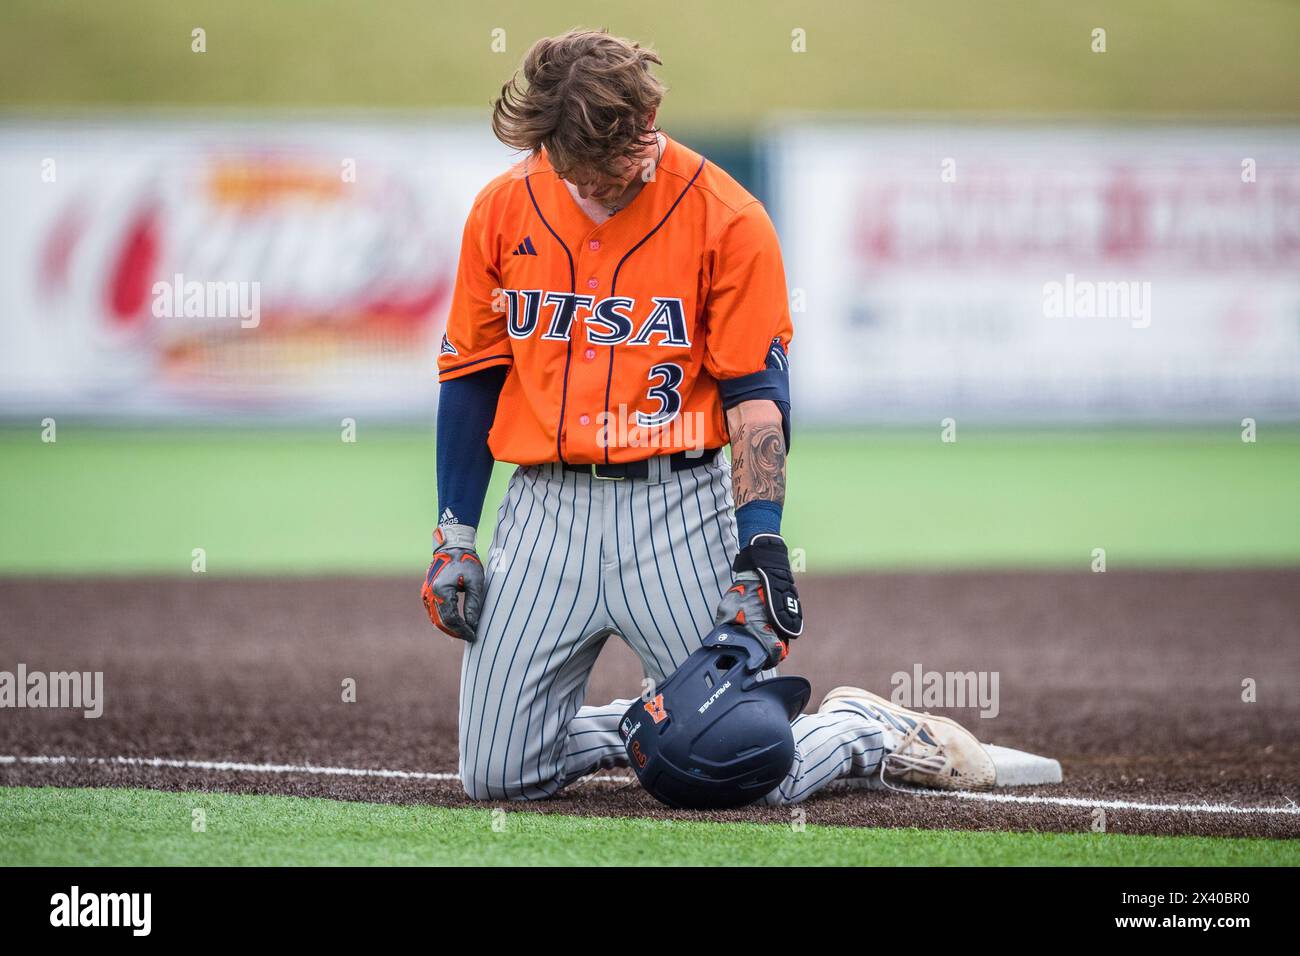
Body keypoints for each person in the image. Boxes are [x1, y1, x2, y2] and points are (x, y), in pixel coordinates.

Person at [422, 29, 994, 803]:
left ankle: (860, 726)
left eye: (631, 152)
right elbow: (471, 374)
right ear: (551, 148)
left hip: (675, 508)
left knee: (759, 776)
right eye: (589, 167)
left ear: (648, 117)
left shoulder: (726, 216)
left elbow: (756, 399)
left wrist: (761, 538)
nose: (617, 176)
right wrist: (455, 532)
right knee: (497, 777)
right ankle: (669, 720)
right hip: (543, 509)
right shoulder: (502, 208)